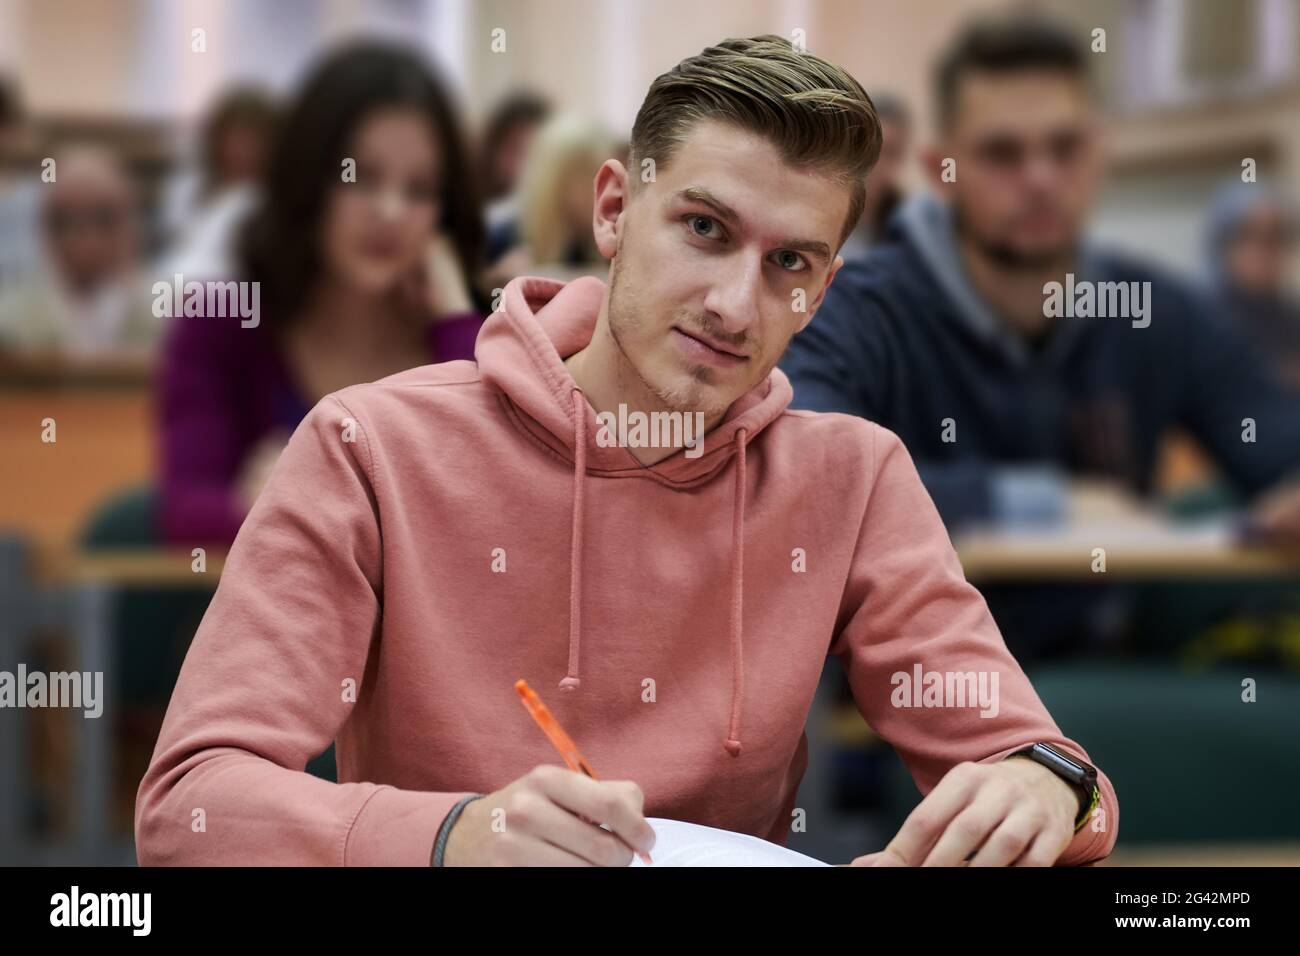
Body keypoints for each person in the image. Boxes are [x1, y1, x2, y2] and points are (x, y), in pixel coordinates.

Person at [137, 35, 1118, 868]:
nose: (736, 304)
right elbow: (189, 804)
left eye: (789, 263)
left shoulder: (851, 478)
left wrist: (1046, 779)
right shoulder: (369, 445)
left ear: (820, 290)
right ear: (612, 209)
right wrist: (449, 836)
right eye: (703, 228)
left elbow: (1050, 766)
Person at [780, 13, 1300, 541]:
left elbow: (1276, 448)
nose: (1041, 180)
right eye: (1003, 154)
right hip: (909, 626)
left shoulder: (1154, 309)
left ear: (1098, 154)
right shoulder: (852, 311)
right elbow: (812, 468)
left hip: (1113, 625)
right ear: (943, 172)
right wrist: (1047, 505)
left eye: (1065, 148)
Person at [157, 42, 486, 547]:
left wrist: (455, 315)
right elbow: (189, 517)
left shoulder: (469, 338)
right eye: (362, 177)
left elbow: (488, 508)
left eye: (419, 189)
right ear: (308, 177)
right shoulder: (219, 322)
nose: (391, 211)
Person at [0, 144, 159, 355]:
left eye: (104, 219)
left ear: (130, 225)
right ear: (46, 230)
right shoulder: (10, 322)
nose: (87, 239)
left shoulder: (164, 317)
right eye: (67, 221)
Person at [485, 113, 619, 282]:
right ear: (555, 181)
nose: (609, 189)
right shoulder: (502, 239)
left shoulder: (610, 237)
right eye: (588, 174)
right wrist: (494, 278)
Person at [1205, 182, 1300, 389]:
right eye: (1249, 236)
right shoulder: (1199, 317)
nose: (1264, 252)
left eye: (1276, 238)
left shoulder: (1291, 318)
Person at [838, 91, 912, 261]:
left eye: (889, 152)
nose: (875, 164)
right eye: (867, 147)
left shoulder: (907, 232)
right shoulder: (813, 213)